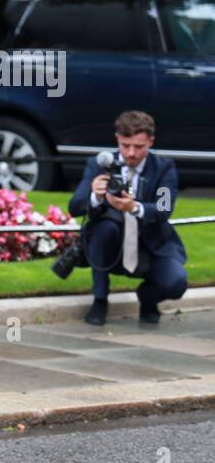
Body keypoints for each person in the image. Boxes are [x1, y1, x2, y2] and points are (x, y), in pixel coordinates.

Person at [68, 110, 187, 326]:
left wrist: (135, 207)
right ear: (117, 139)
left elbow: (164, 208)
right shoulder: (99, 164)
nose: (131, 153)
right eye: (125, 145)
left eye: (139, 147)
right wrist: (94, 195)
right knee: (105, 227)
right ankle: (100, 300)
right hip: (109, 242)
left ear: (150, 141)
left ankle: (148, 300)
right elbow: (74, 207)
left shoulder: (164, 167)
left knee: (176, 282)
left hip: (151, 244)